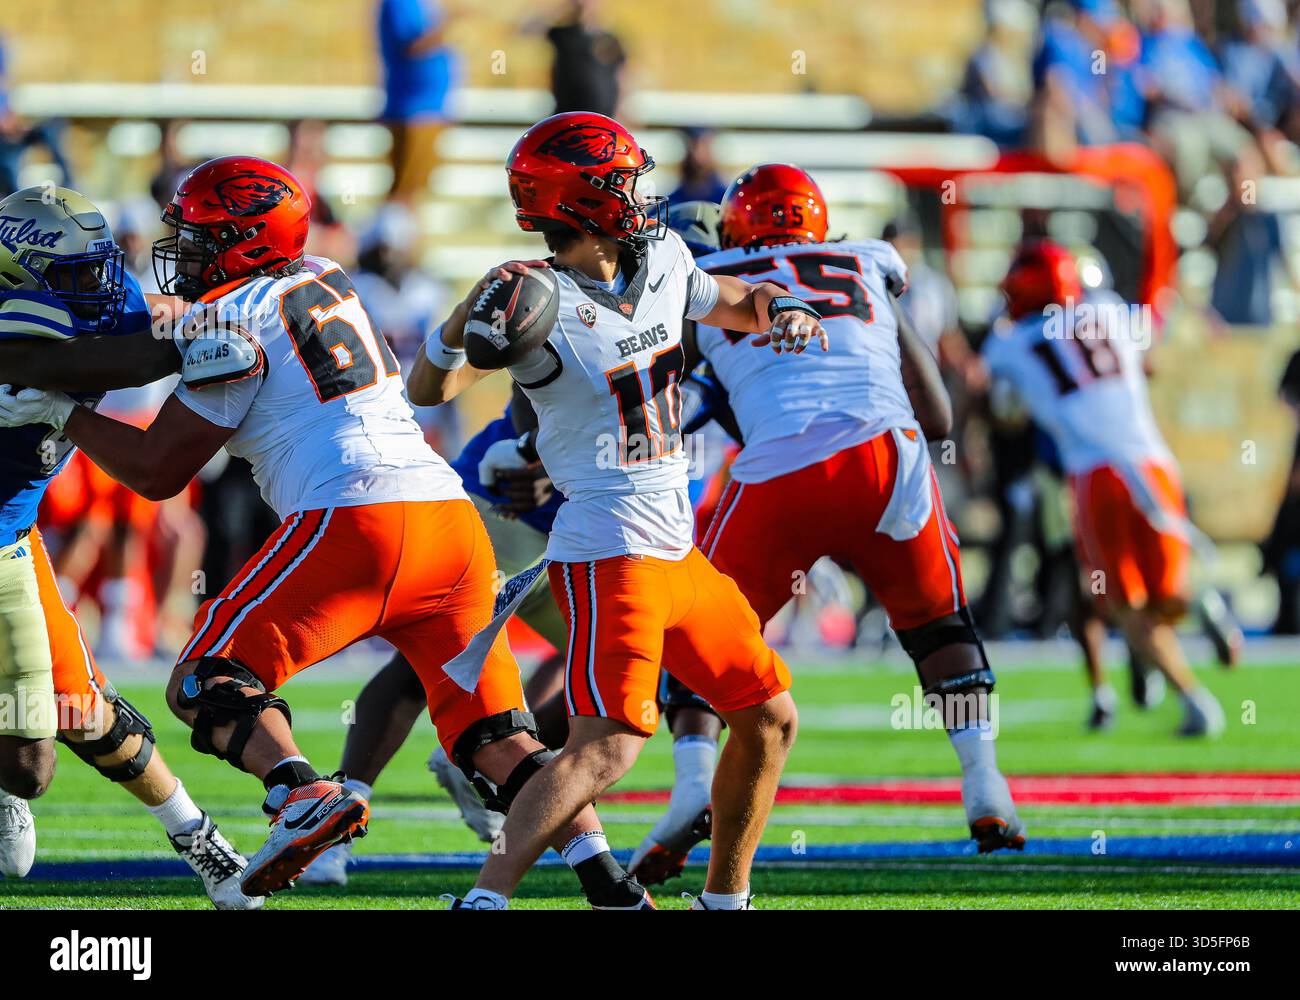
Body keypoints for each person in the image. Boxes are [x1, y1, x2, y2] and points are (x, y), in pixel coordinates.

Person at [0, 156, 650, 908]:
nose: (187, 252)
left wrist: (64, 412)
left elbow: (155, 472)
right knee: (501, 743)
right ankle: (611, 884)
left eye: (203, 237)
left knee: (207, 683)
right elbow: (188, 340)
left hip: (359, 520)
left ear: (243, 244)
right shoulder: (326, 275)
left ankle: (302, 792)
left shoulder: (228, 314)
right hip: (452, 528)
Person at [411, 112, 819, 910]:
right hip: (609, 549)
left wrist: (780, 309)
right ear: (586, 195)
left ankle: (725, 901)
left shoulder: (664, 254)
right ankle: (484, 900)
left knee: (769, 717)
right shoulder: (534, 298)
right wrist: (462, 319)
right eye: (622, 180)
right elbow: (430, 389)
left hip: (679, 550)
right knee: (607, 749)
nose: (638, 192)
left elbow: (727, 299)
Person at [682, 163, 1024, 853]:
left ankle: (689, 792)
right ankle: (986, 784)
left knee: (696, 634)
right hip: (887, 455)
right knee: (937, 625)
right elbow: (937, 414)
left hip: (782, 467)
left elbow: (672, 404)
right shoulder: (862, 260)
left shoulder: (705, 276)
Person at [0, 186, 257, 908]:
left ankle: (189, 834)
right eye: (78, 275)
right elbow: (120, 364)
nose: (101, 287)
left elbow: (146, 324)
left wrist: (195, 316)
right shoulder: (15, 328)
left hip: (5, 547)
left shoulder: (86, 307)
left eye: (98, 269)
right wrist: (197, 330)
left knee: (38, 758)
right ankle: (200, 840)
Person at [980, 240, 1226, 736]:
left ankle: (1196, 702)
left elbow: (1001, 405)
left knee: (1122, 600)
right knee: (1162, 590)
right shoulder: (1109, 309)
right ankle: (1197, 603)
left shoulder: (1009, 344)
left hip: (1094, 473)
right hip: (1154, 461)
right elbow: (1147, 353)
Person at [378, 0, 460, 202]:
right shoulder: (401, 3)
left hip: (427, 108)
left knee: (416, 187)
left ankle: (404, 229)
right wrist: (451, 21)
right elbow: (413, 46)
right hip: (415, 109)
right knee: (407, 187)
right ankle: (397, 231)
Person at [542, 0, 626, 118]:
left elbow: (622, 76)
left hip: (602, 115)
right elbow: (528, 28)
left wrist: (620, 113)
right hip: (566, 114)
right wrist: (560, 10)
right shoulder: (561, 34)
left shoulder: (609, 38)